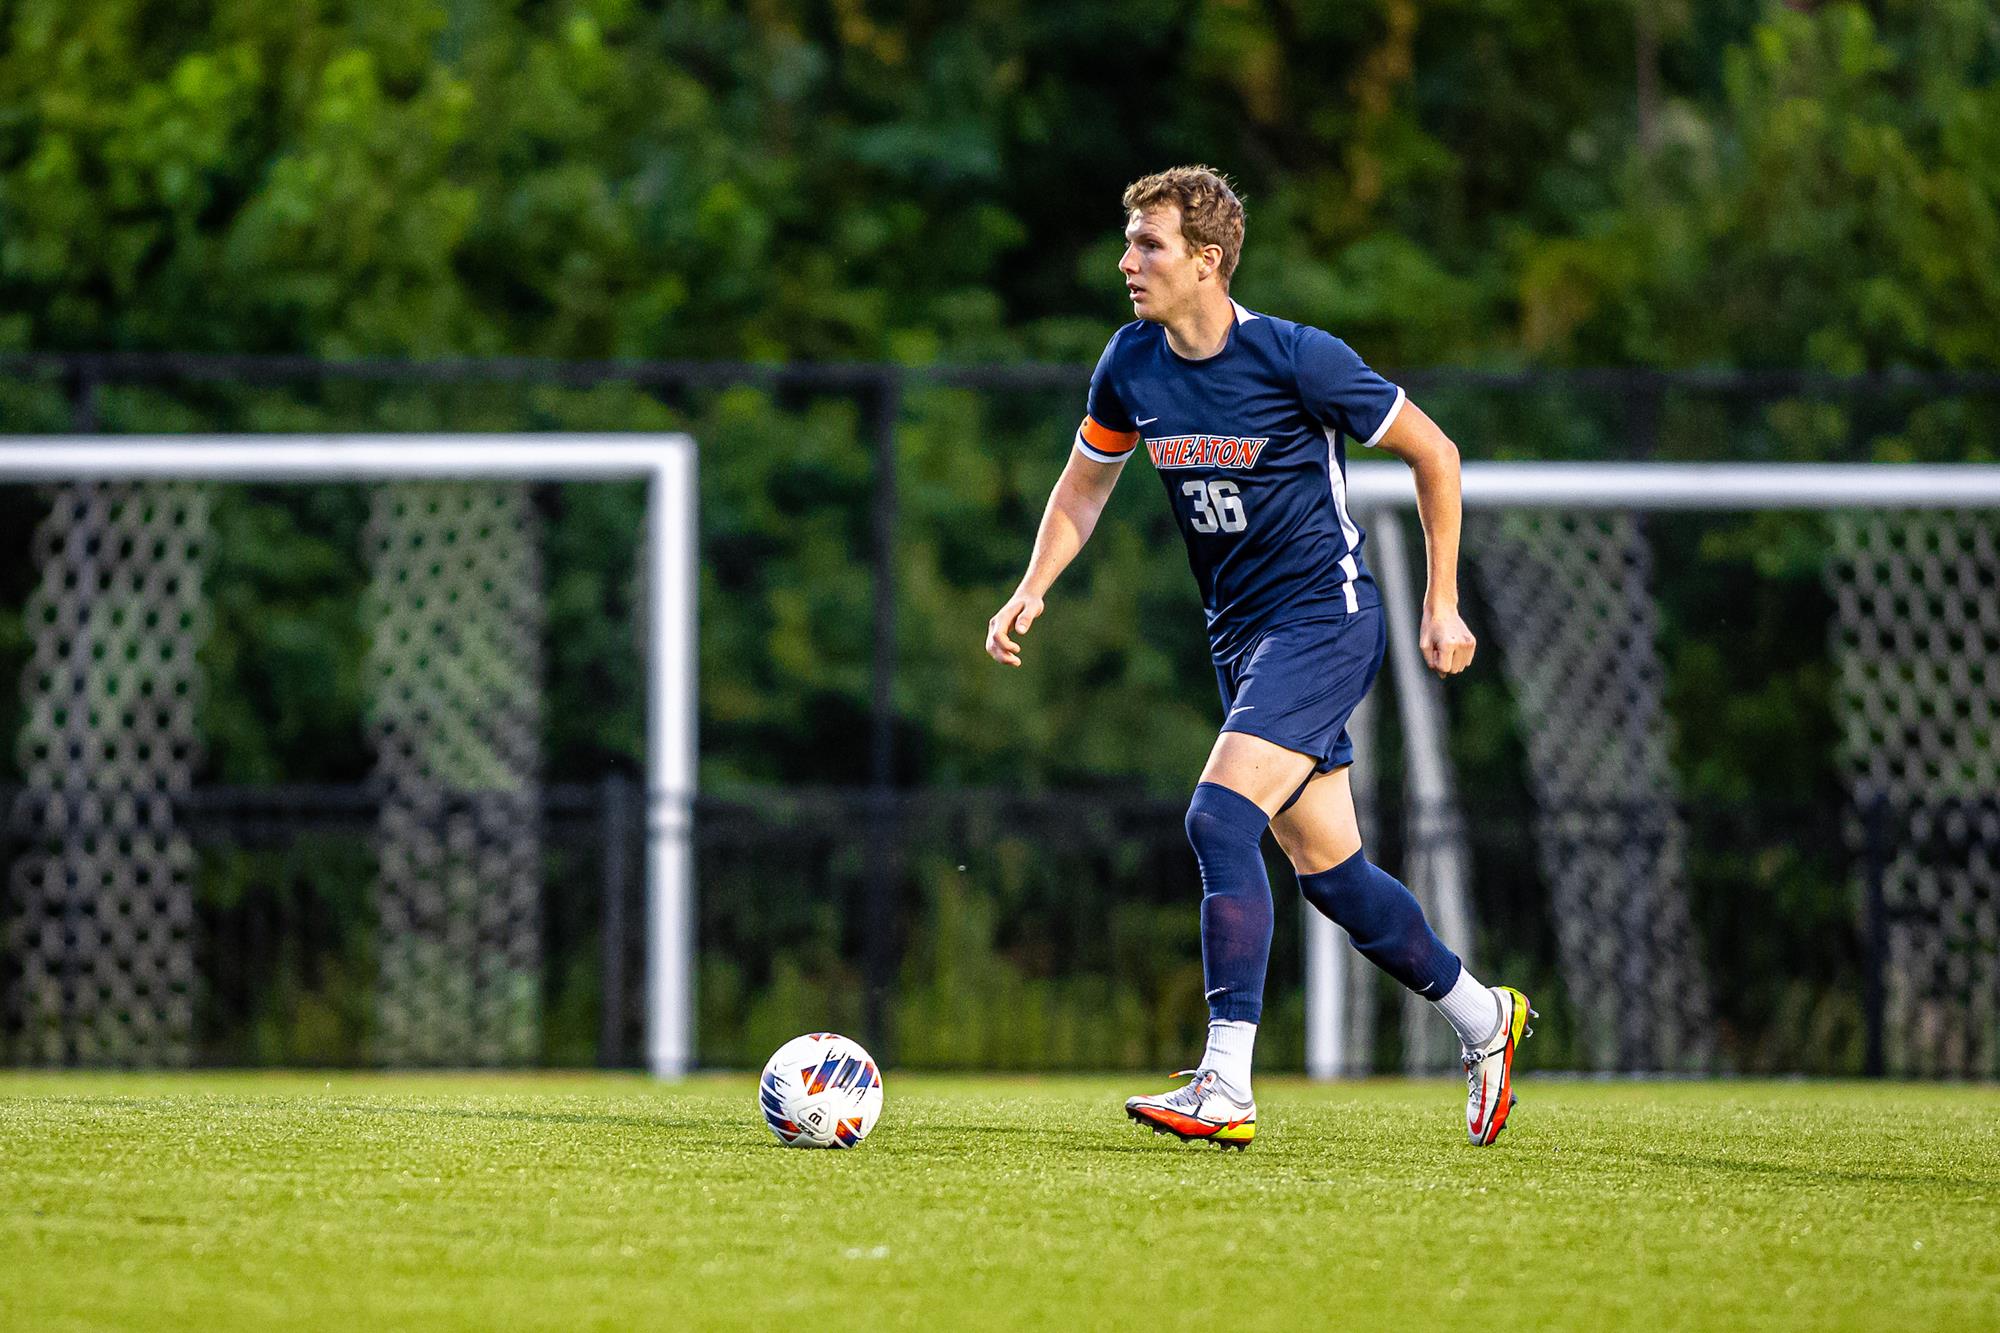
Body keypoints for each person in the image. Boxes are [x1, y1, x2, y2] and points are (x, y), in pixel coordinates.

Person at [984, 165, 1531, 1149]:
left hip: (1323, 619)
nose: (1126, 261)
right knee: (1330, 873)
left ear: (1205, 260)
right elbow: (1081, 489)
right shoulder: (1129, 363)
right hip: (1238, 637)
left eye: (1146, 245)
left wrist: (1439, 601)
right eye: (1127, 242)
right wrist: (1032, 585)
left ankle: (1225, 1081)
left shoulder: (1293, 357)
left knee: (1215, 817)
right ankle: (1483, 1018)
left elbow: (1434, 453)